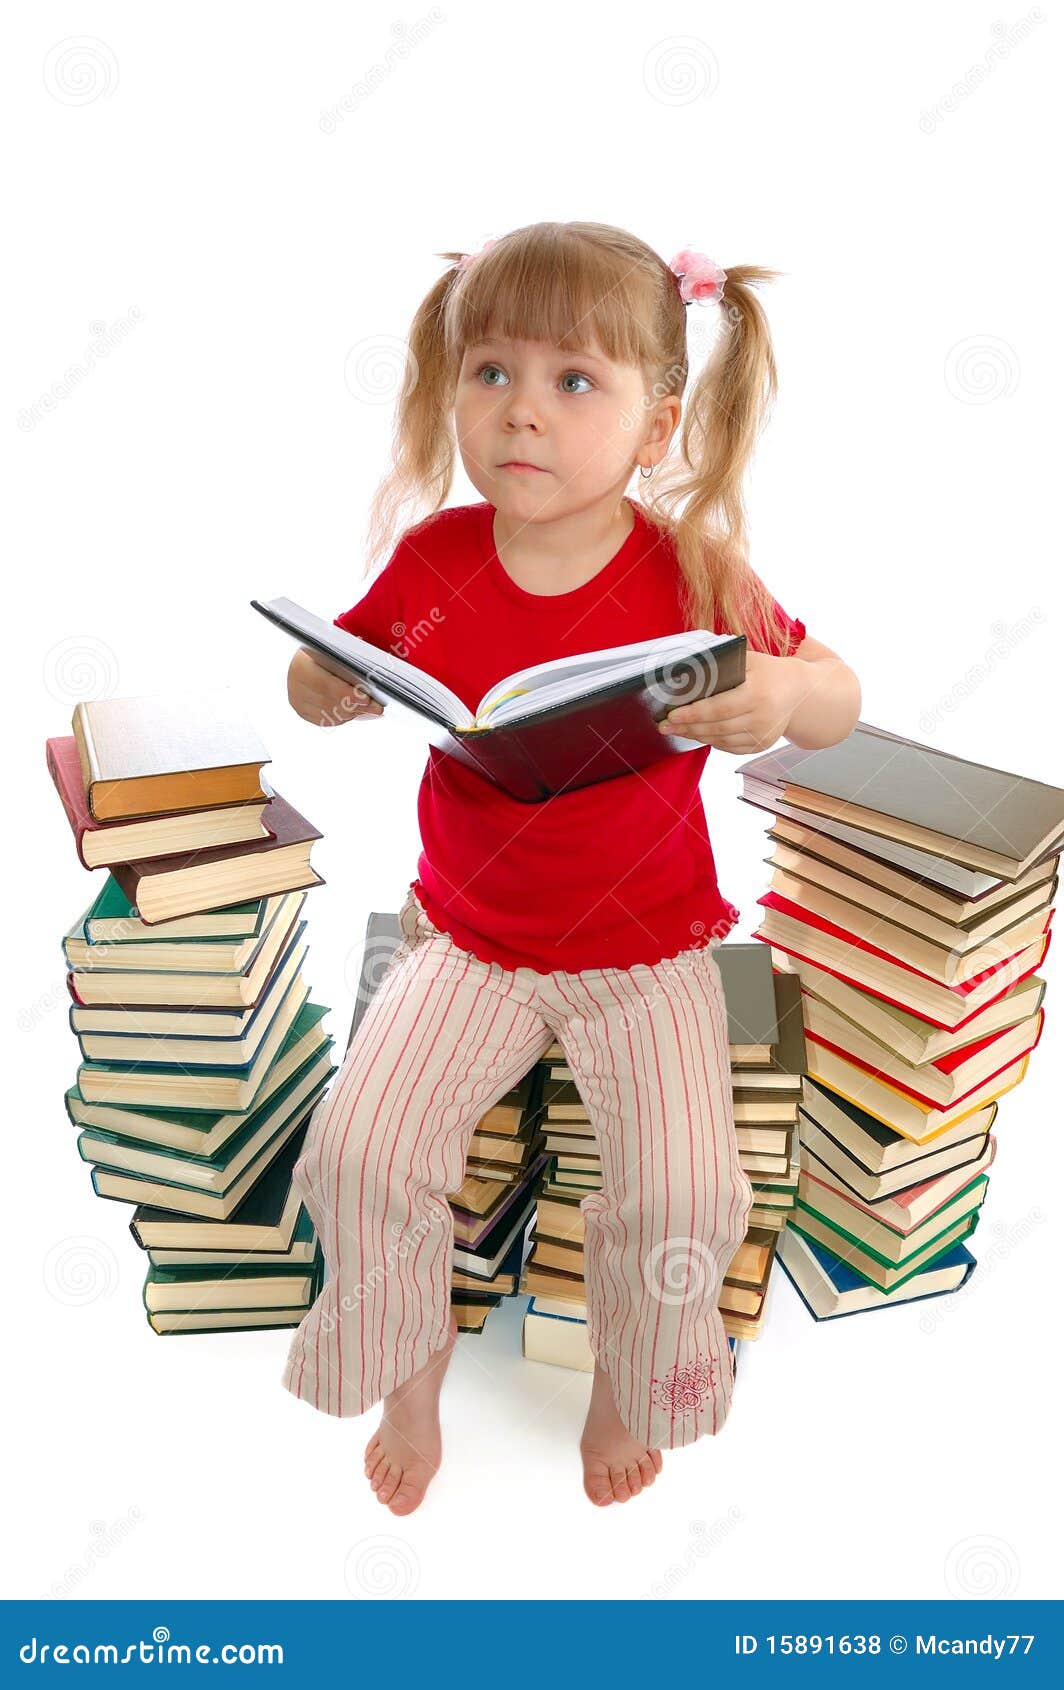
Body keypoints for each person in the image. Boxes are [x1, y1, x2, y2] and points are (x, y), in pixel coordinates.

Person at [280, 221, 861, 1514]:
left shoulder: (689, 568)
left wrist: (776, 690)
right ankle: (407, 1372)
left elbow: (837, 691)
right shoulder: (436, 558)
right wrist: (324, 685)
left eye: (571, 381)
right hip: (470, 940)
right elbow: (340, 668)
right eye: (490, 373)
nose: (521, 414)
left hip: (645, 953)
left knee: (684, 1194)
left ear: (657, 426)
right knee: (360, 1154)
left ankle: (627, 1384)